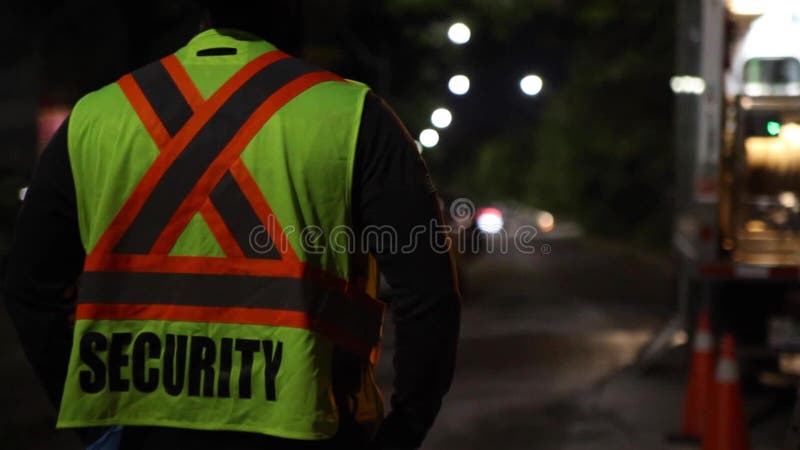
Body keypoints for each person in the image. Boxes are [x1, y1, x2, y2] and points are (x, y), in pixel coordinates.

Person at [3, 3, 460, 449]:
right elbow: (429, 296)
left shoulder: (95, 117)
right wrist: (403, 432)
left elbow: (30, 289)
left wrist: (97, 423)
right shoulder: (355, 116)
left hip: (138, 428)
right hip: (311, 427)